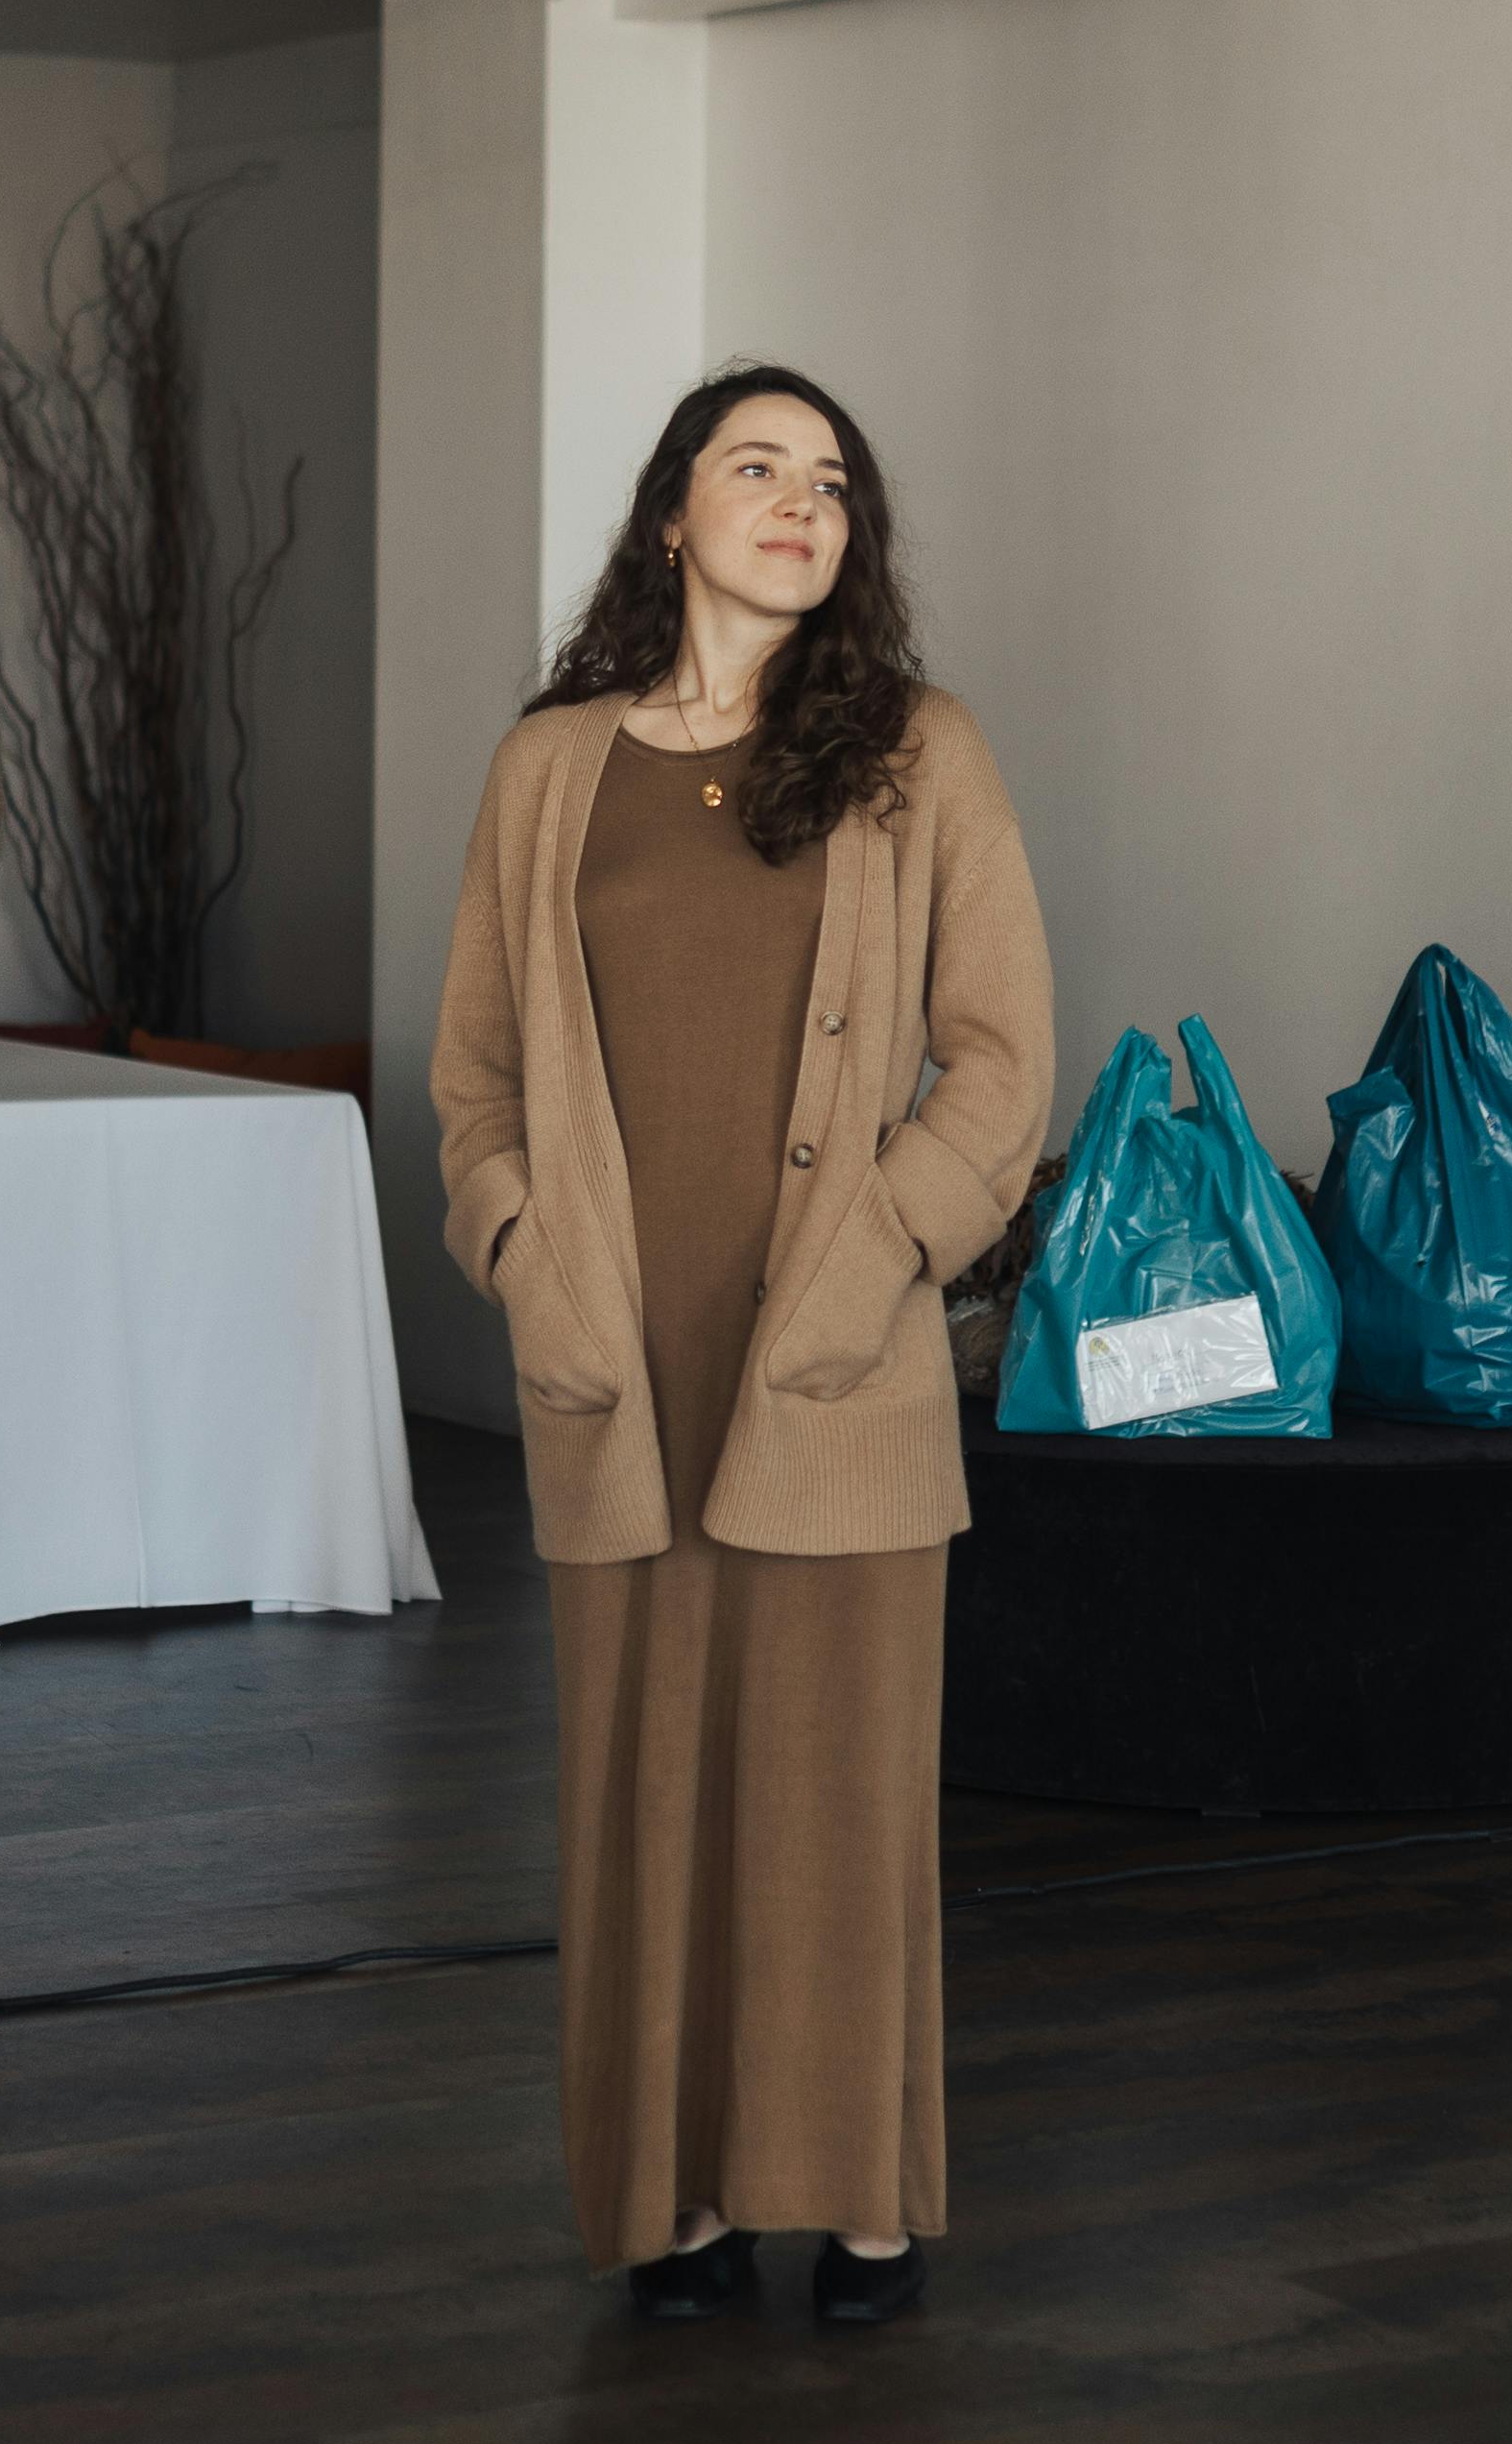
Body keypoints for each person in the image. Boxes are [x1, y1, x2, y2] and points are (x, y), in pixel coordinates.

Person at [433, 367, 1051, 2323]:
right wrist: (527, 1250)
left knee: (840, 1793)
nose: (802, 500)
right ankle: (676, 2199)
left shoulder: (917, 754)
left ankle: (858, 2200)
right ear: (672, 512)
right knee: (644, 1795)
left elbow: (1007, 1065)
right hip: (621, 1363)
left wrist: (877, 1257)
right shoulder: (552, 770)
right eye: (757, 466)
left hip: (834, 1360)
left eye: (834, 481)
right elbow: (475, 1075)